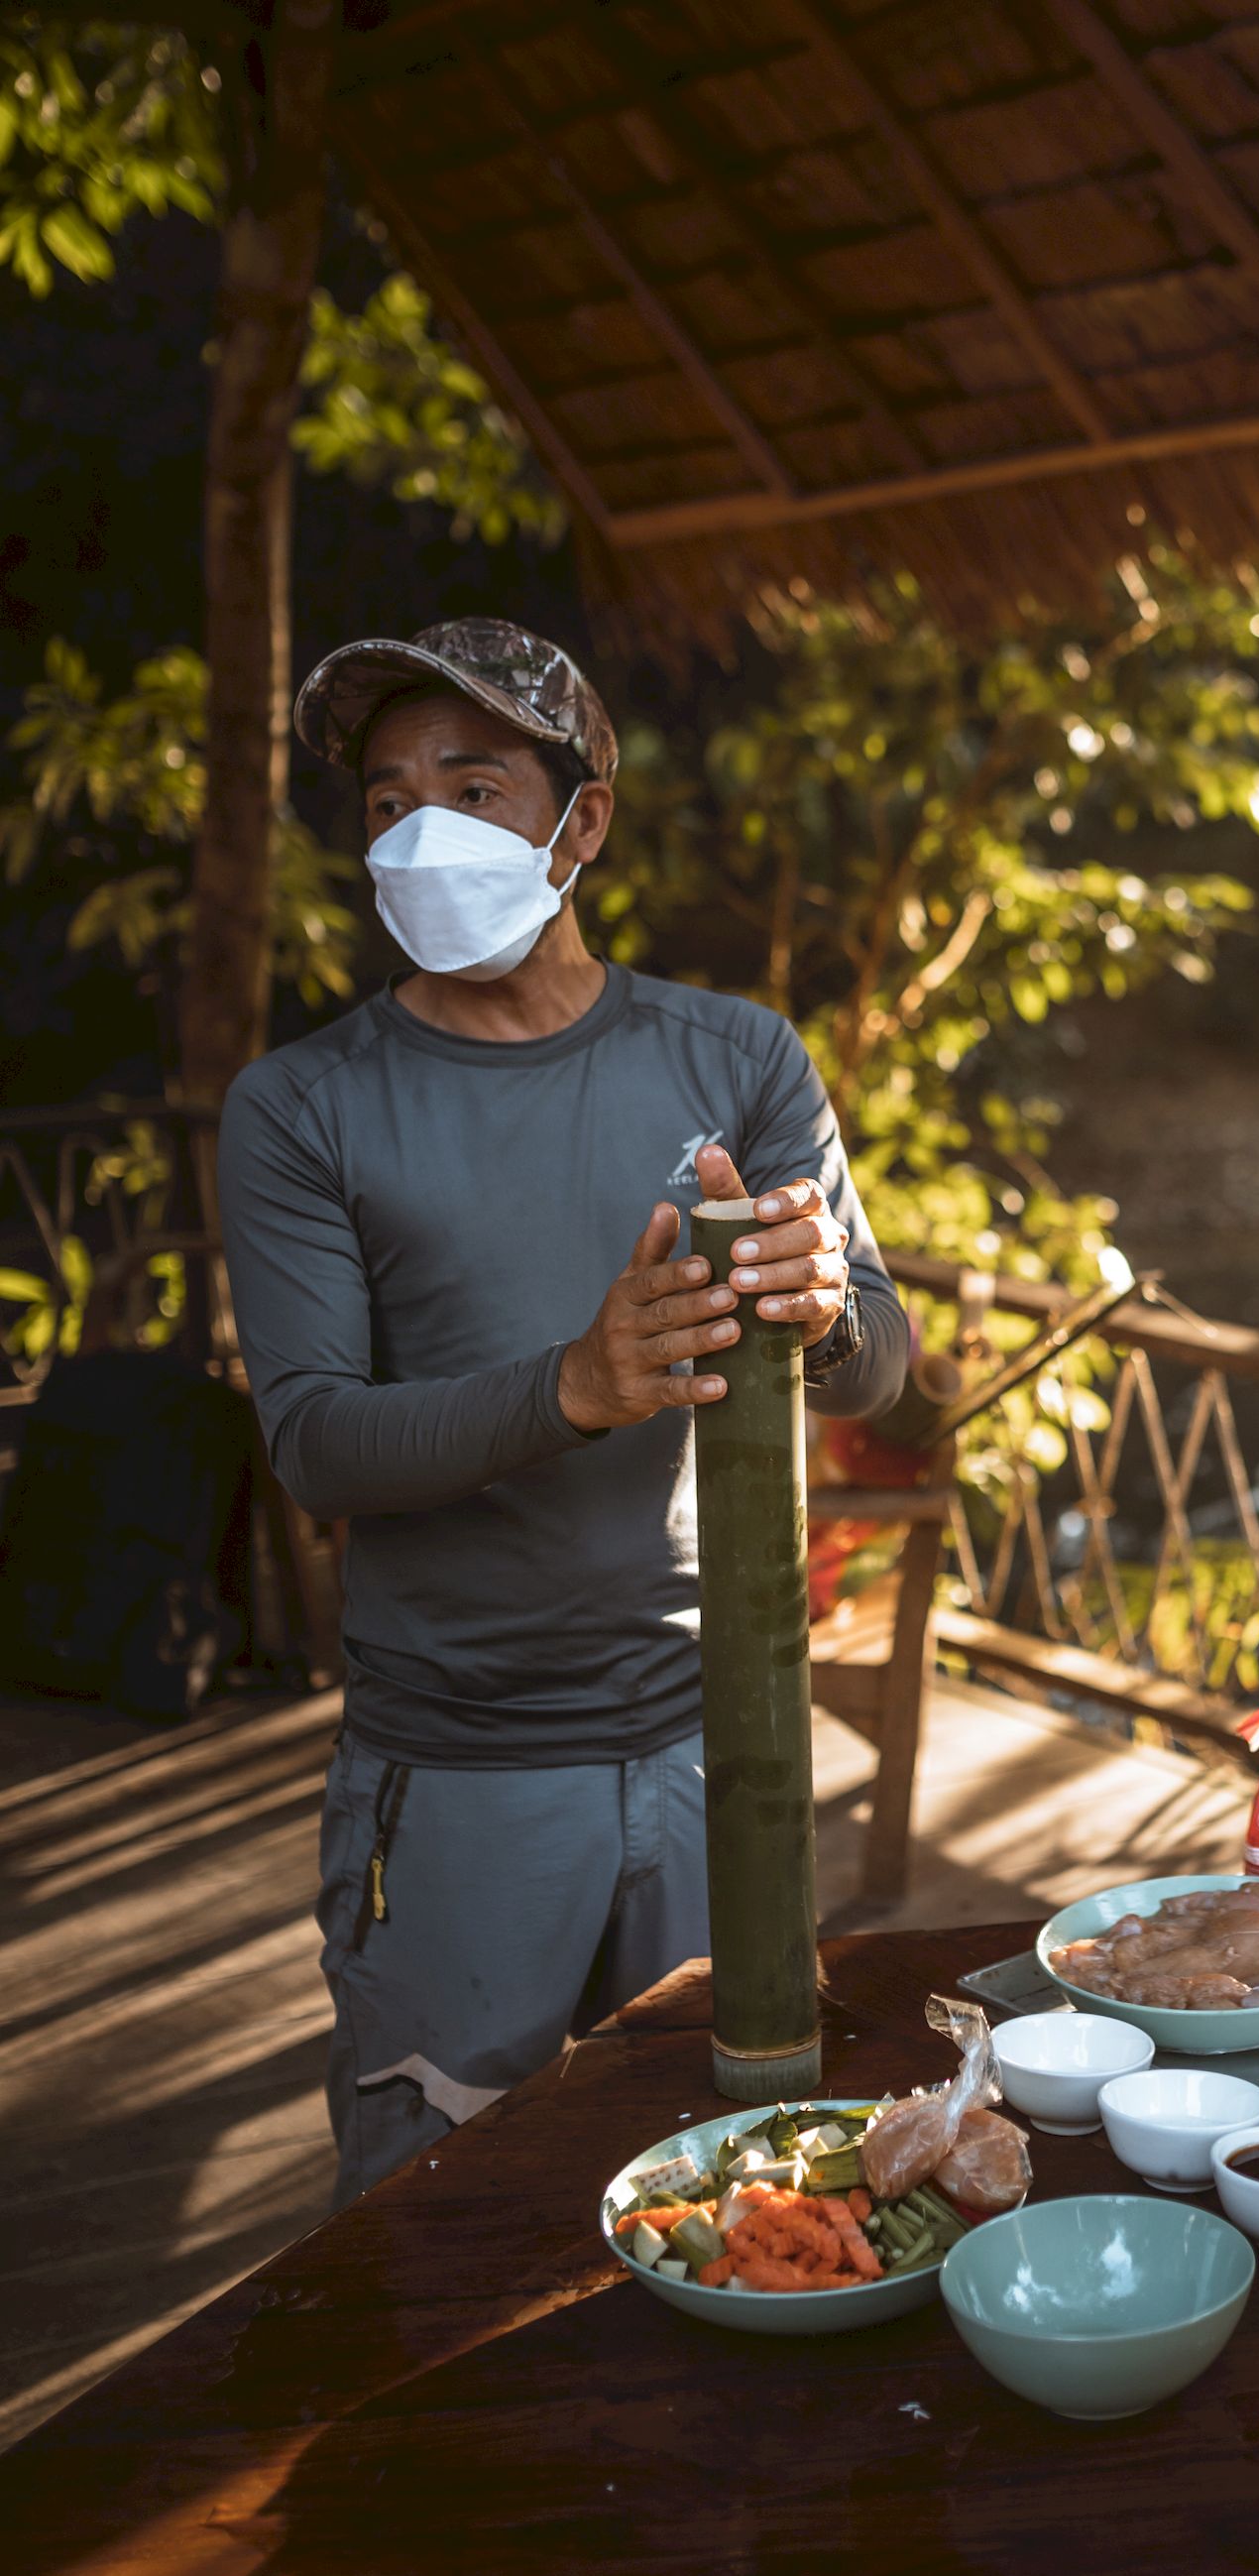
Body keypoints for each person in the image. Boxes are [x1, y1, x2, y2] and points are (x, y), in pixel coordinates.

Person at [219, 620, 907, 2202]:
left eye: (474, 785)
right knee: (438, 2222)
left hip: (716, 1751)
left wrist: (815, 1310)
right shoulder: (306, 1107)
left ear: (579, 823)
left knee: (739, 2192)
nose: (421, 830)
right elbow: (315, 1441)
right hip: (458, 1775)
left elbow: (879, 1361)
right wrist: (576, 1389)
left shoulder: (735, 1059)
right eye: (389, 799)